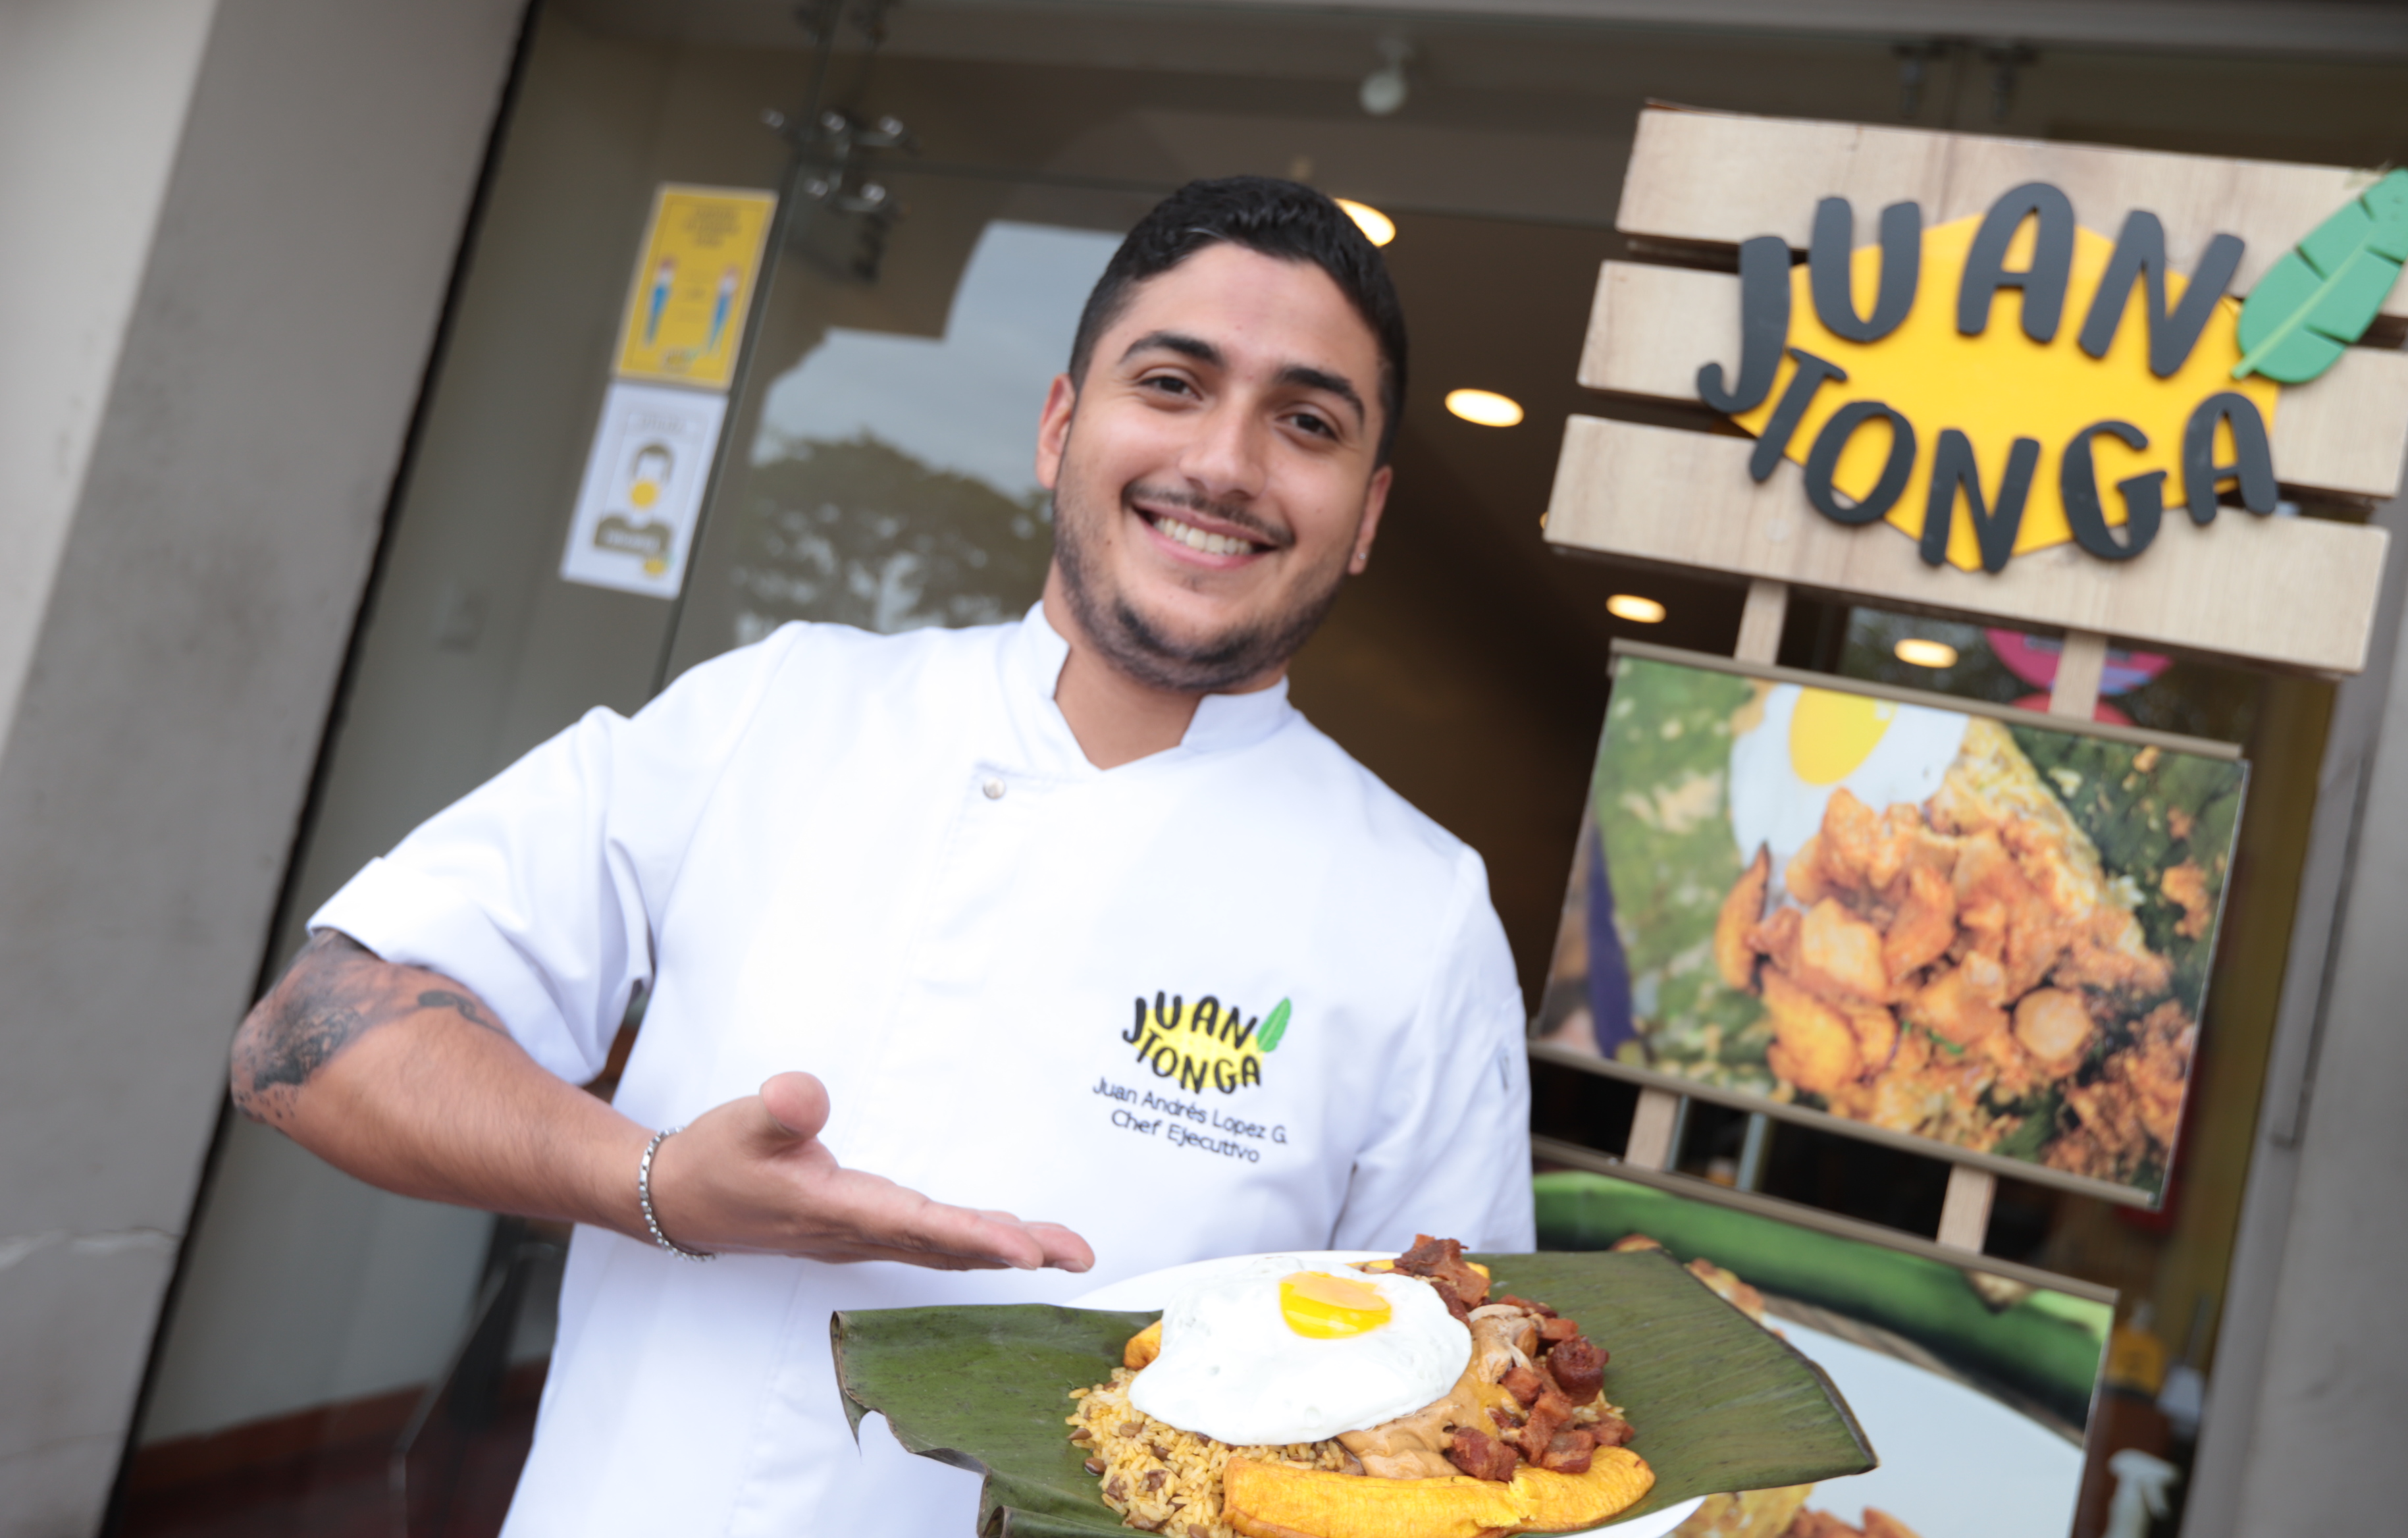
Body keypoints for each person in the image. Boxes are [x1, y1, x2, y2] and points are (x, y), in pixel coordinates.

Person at [228, 176, 1535, 1537]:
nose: (1225, 460)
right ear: (1060, 426)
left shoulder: (1418, 911)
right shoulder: (782, 706)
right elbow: (306, 1040)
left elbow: (1460, 1417)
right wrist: (657, 1186)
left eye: (1307, 422)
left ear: (1367, 513)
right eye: (1171, 383)